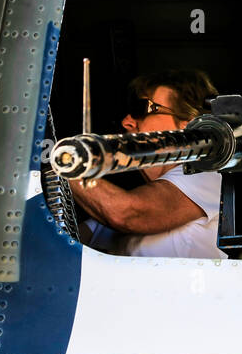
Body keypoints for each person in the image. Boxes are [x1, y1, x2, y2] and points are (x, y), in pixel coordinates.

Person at [70, 68, 225, 259]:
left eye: (142, 109)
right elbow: (71, 240)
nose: (127, 122)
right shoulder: (136, 195)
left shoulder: (209, 178)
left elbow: (127, 213)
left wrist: (66, 161)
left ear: (188, 123)